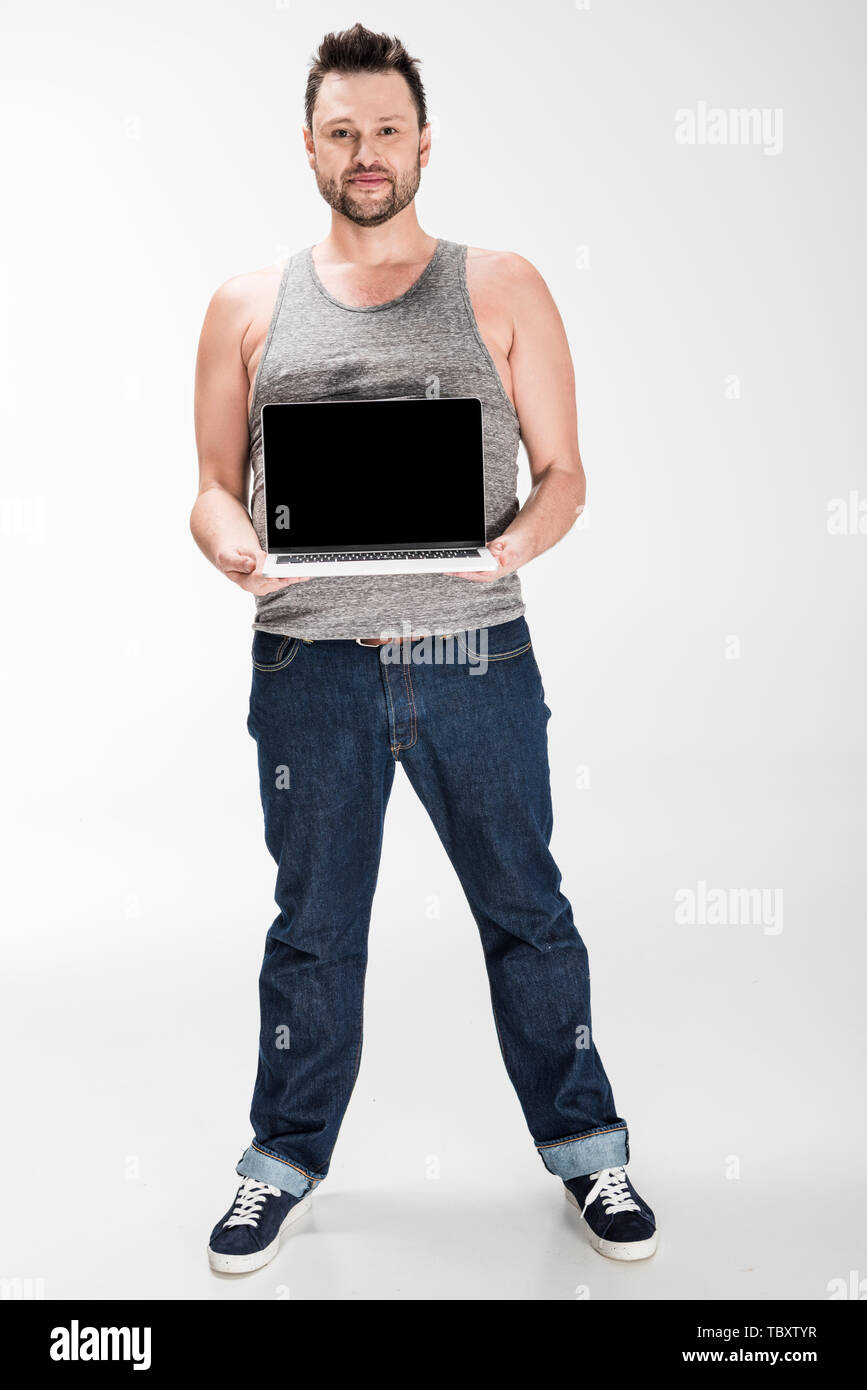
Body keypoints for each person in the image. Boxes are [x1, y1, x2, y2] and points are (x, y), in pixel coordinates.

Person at [191, 21, 657, 1276]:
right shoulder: (246, 303)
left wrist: (506, 553)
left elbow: (563, 479)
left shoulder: (500, 286)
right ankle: (278, 1163)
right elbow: (210, 490)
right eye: (342, 130)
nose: (367, 151)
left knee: (527, 910)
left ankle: (588, 1148)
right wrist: (234, 544)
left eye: (387, 128)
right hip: (310, 669)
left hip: (476, 659)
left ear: (424, 141)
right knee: (313, 930)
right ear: (309, 146)